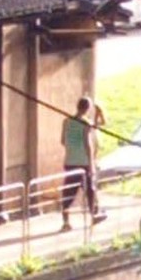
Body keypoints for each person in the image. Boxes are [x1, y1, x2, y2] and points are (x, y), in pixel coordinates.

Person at [60, 96, 105, 230]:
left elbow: (63, 141)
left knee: (68, 191)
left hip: (69, 161)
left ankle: (65, 221)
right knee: (90, 190)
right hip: (83, 162)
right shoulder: (85, 123)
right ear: (87, 109)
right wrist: (91, 163)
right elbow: (88, 144)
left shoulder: (66, 121)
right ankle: (94, 215)